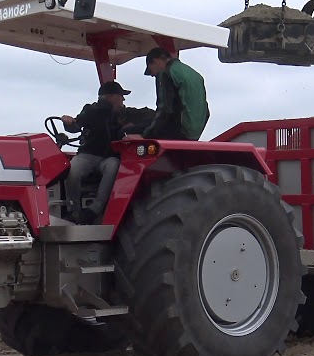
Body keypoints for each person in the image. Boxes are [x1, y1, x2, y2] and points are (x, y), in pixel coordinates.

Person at [61, 80, 135, 224]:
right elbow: (76, 125)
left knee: (114, 165)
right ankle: (73, 211)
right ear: (110, 97)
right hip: (88, 155)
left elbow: (147, 118)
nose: (123, 99)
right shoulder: (91, 111)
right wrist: (68, 122)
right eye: (121, 96)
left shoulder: (127, 114)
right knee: (73, 170)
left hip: (109, 157)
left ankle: (95, 208)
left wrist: (134, 129)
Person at [138, 47, 210, 141]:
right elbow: (206, 110)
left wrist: (145, 136)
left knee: (131, 130)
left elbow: (165, 109)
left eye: (151, 71)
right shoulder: (196, 75)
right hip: (195, 132)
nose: (152, 75)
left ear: (156, 62)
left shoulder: (167, 73)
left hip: (179, 132)